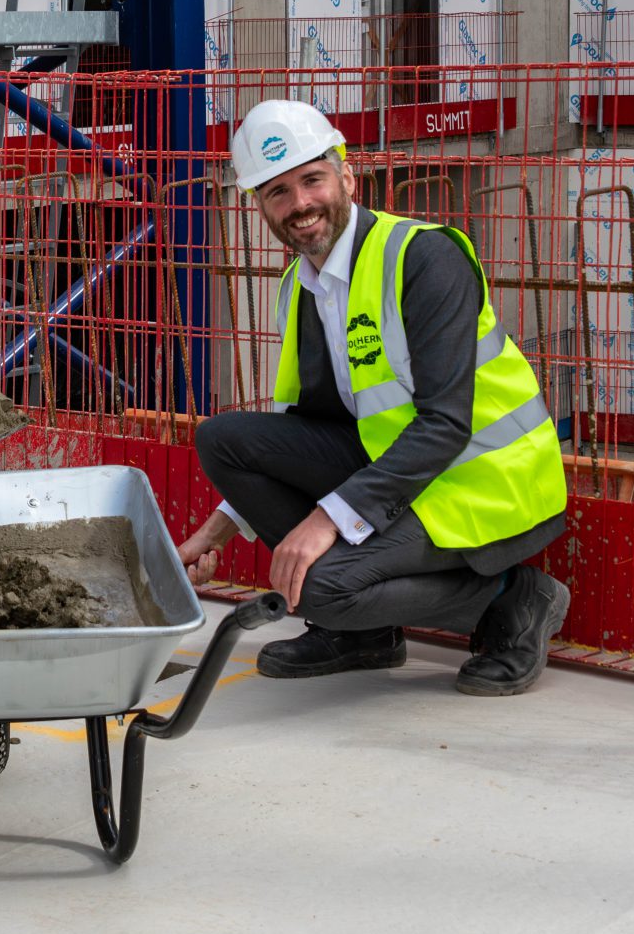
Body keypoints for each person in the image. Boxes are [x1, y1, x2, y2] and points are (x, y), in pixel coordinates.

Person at [176, 100, 570, 697]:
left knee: (323, 587)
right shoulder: (299, 287)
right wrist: (216, 532)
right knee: (222, 440)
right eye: (278, 191)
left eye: (312, 179)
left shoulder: (423, 258)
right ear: (260, 206)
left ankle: (510, 598)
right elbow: (302, 428)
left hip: (485, 484)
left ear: (347, 178)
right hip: (402, 475)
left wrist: (327, 520)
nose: (300, 203)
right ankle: (364, 636)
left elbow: (445, 424)